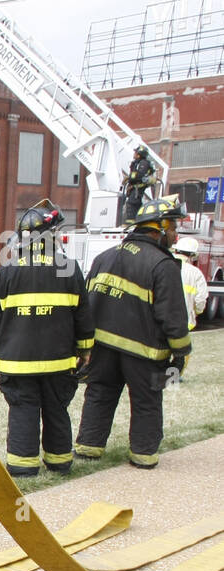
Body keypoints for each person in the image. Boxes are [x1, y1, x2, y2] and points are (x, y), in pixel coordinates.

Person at [74, 195, 193, 469]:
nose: (175, 236)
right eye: (173, 228)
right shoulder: (163, 265)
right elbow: (173, 317)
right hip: (144, 352)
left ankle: (89, 447)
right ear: (159, 228)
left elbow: (87, 304)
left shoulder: (104, 257)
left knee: (99, 393)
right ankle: (143, 454)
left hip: (102, 347)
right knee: (147, 401)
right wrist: (181, 352)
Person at [0, 200, 94, 477]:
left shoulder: (8, 269)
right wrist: (85, 348)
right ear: (50, 234)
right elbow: (83, 315)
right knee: (56, 409)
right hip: (59, 361)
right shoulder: (69, 267)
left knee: (22, 410)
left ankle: (22, 466)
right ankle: (59, 461)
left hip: (16, 363)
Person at [171, 236, 209, 331]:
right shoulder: (195, 273)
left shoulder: (161, 266)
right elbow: (200, 300)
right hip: (183, 324)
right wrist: (194, 312)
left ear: (175, 251)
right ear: (193, 255)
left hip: (158, 322)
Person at [121, 146, 158, 223]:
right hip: (135, 187)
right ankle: (135, 221)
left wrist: (128, 177)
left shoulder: (143, 163)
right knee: (134, 202)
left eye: (135, 152)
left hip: (138, 187)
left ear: (139, 154)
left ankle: (131, 222)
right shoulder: (137, 163)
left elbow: (139, 175)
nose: (134, 154)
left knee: (132, 203)